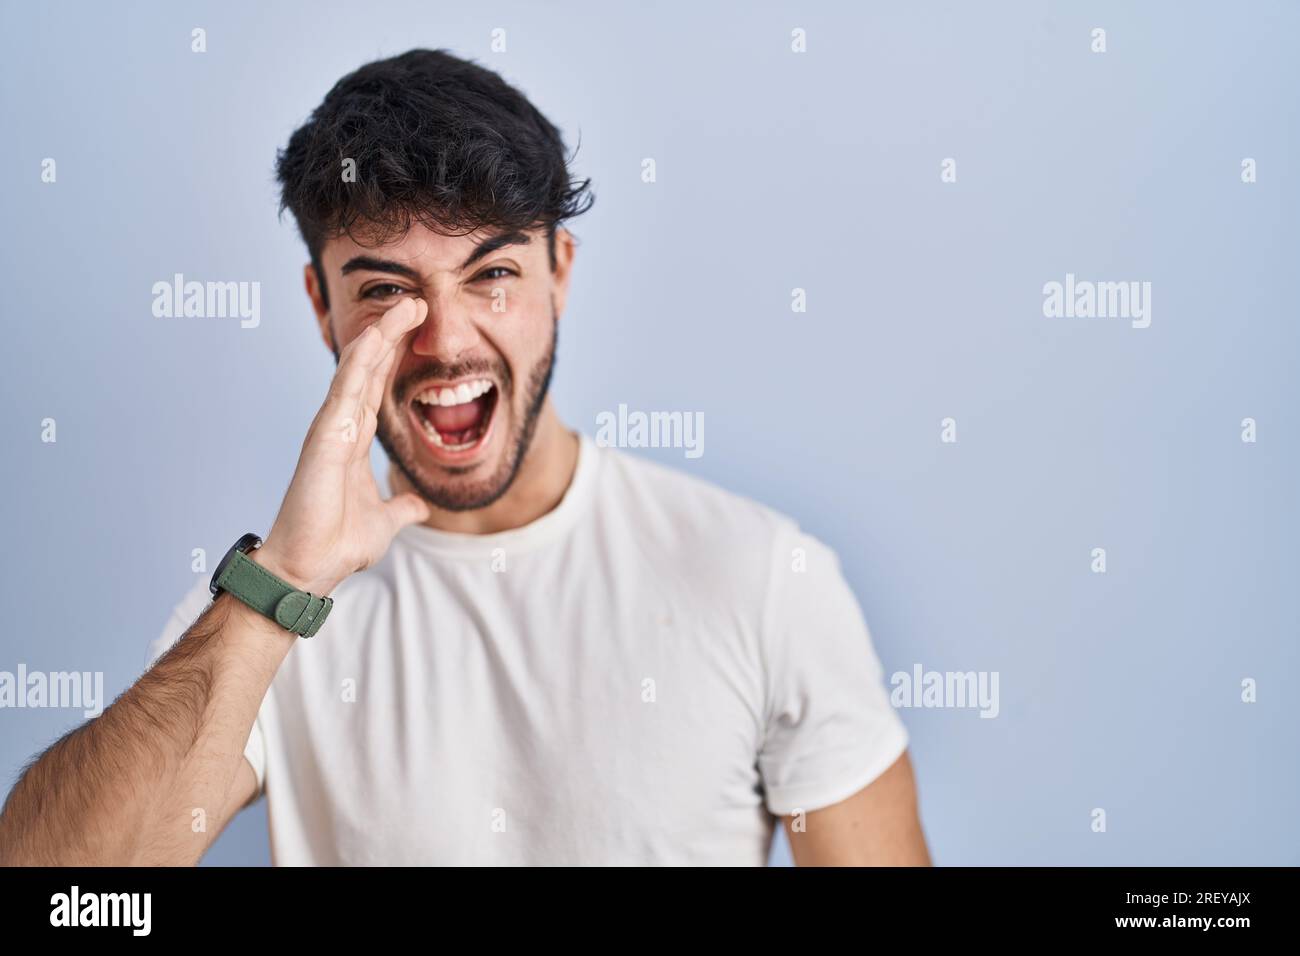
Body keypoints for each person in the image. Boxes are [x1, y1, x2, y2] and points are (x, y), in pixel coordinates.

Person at [0, 49, 929, 866]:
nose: (445, 341)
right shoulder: (269, 606)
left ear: (559, 270)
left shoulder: (766, 580)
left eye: (491, 273)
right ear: (321, 307)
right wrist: (285, 580)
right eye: (386, 291)